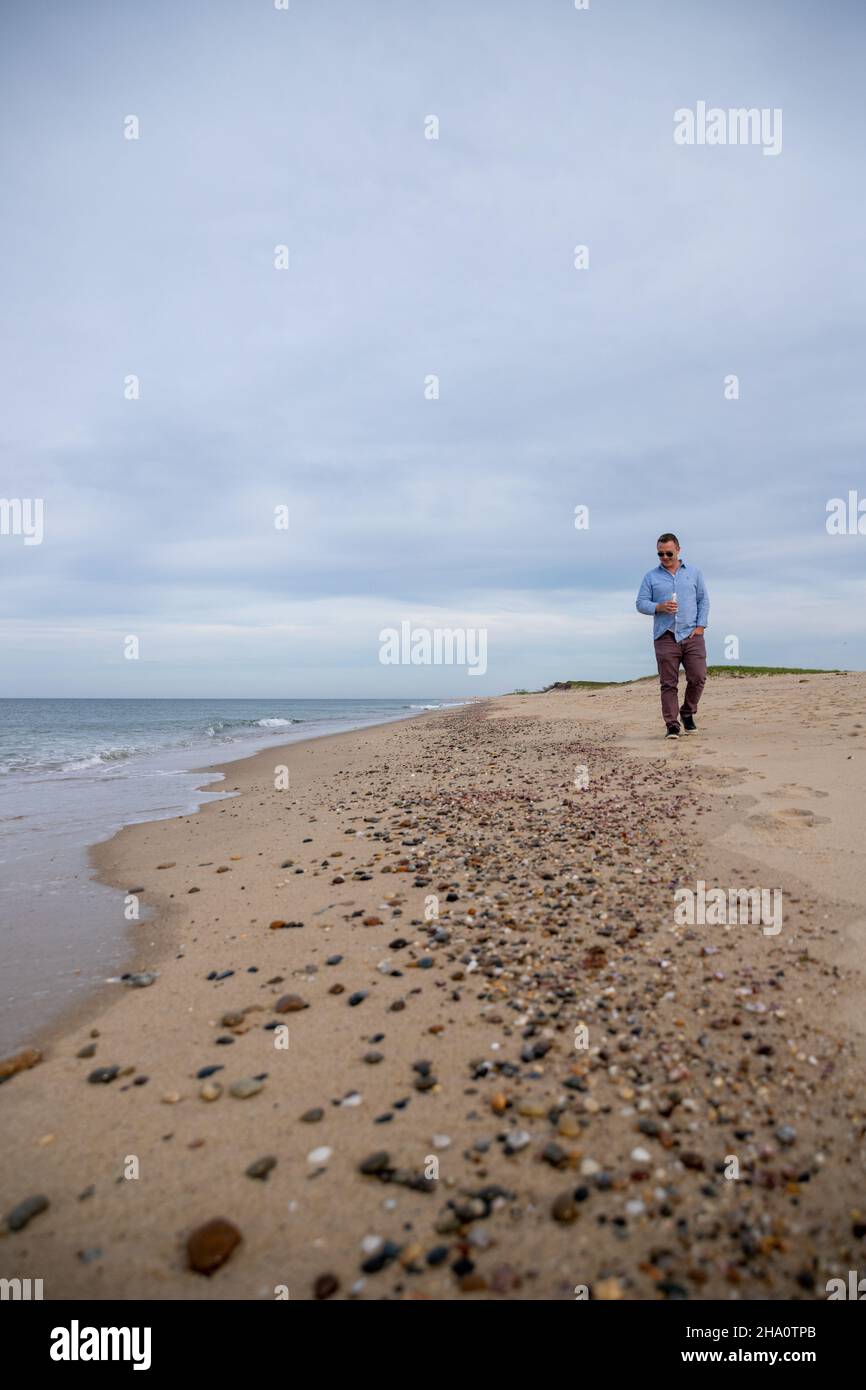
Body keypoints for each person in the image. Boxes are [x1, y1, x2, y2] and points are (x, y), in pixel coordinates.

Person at [636, 533, 709, 739]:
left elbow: (703, 601)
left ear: (678, 550)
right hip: (665, 636)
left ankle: (687, 712)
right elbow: (641, 603)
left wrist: (701, 626)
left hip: (692, 634)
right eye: (660, 554)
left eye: (669, 553)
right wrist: (658, 607)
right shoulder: (651, 577)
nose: (665, 557)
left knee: (698, 677)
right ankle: (672, 724)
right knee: (669, 683)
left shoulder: (694, 573)